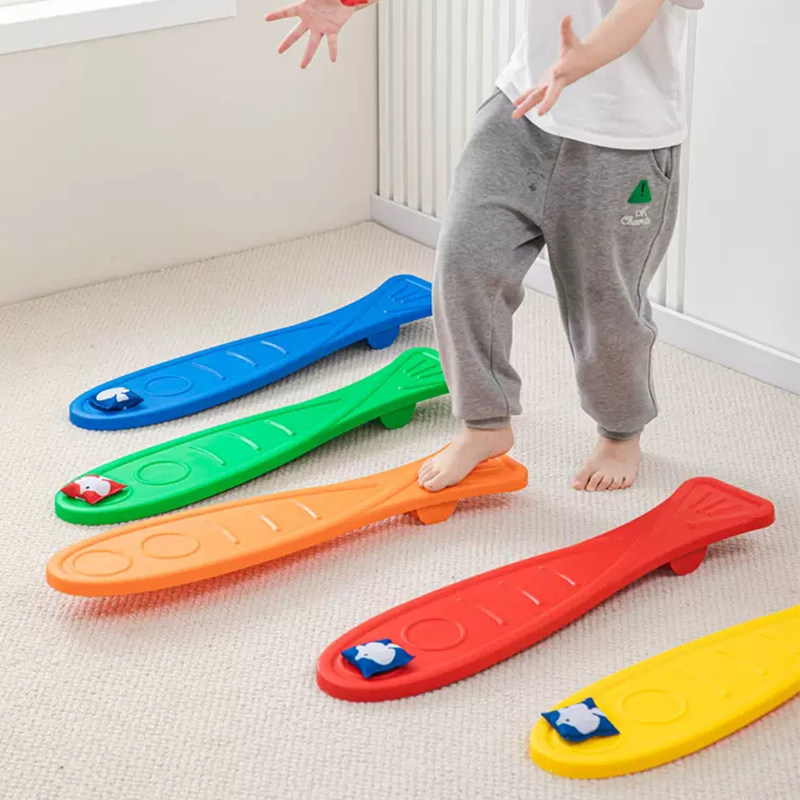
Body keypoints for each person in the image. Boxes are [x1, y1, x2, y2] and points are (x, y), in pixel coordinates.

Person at [265, 0, 704, 492]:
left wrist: (585, 58)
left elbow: (636, 11)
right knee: (464, 263)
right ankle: (484, 423)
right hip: (521, 113)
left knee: (606, 305)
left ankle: (621, 431)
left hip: (623, 147)